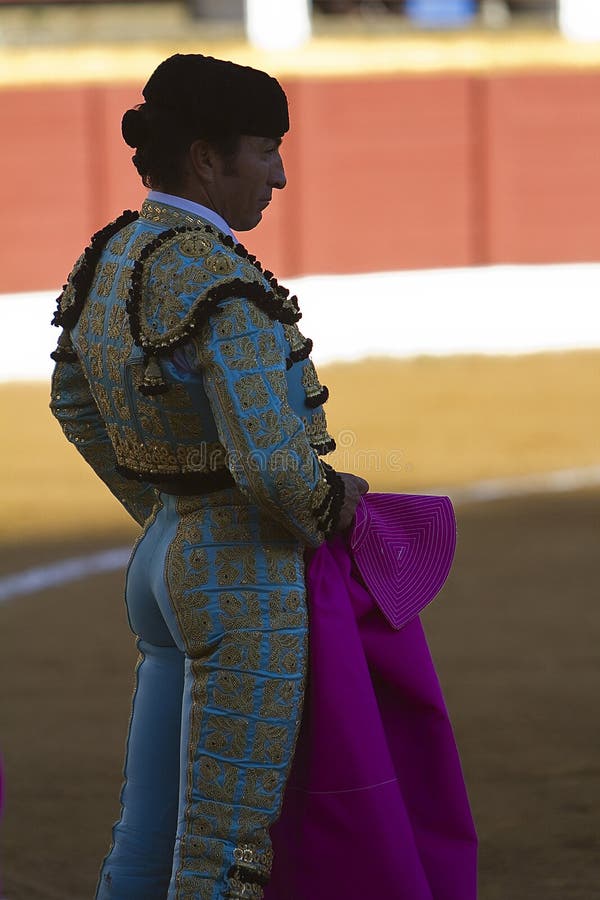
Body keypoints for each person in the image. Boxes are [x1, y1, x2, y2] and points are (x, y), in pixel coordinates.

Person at [50, 53, 369, 900]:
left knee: (147, 832)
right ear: (204, 158)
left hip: (163, 561)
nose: (280, 174)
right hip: (236, 574)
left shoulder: (109, 255)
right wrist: (336, 504)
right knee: (223, 851)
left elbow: (74, 403)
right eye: (264, 149)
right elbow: (273, 465)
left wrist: (164, 507)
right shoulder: (219, 278)